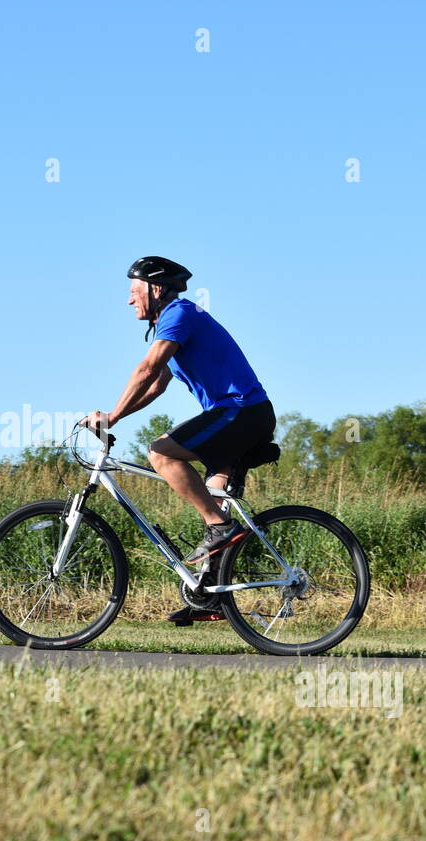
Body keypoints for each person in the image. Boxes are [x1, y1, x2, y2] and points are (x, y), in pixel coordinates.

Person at [81, 256, 276, 624]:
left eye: (133, 292)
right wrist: (118, 415)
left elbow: (147, 368)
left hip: (241, 412)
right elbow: (156, 384)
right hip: (239, 415)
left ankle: (221, 528)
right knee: (214, 499)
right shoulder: (171, 323)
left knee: (161, 452)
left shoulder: (178, 313)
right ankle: (212, 598)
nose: (128, 301)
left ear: (156, 290)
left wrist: (112, 416)